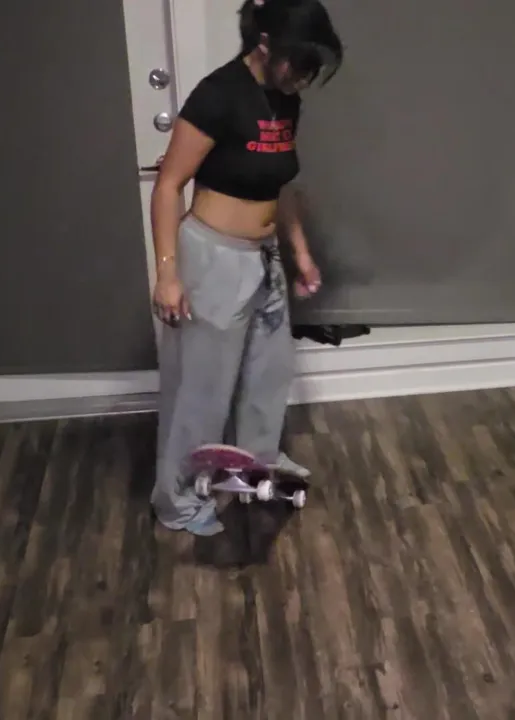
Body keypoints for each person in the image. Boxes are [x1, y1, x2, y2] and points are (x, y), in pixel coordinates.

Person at [149, 0, 343, 536]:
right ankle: (177, 500)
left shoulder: (286, 100)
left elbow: (281, 184)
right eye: (298, 63)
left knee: (268, 373)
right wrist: (167, 273)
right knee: (201, 391)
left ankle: (256, 468)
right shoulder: (218, 95)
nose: (304, 78)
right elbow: (168, 186)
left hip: (264, 256)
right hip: (213, 257)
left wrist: (300, 254)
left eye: (312, 68)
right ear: (265, 44)